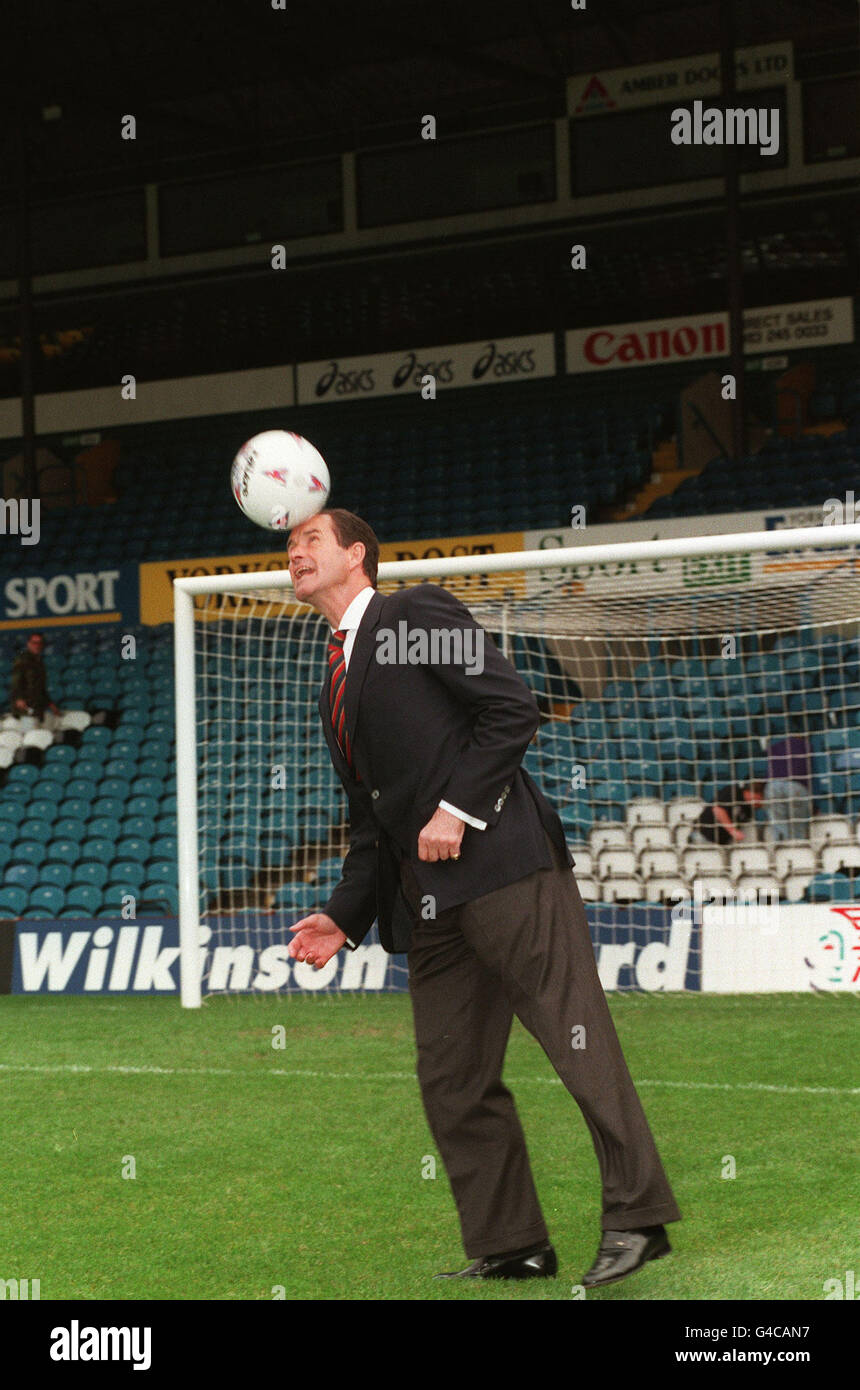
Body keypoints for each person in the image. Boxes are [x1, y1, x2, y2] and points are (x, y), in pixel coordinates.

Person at [285, 508, 681, 1288]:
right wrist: (343, 914)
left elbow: (511, 707)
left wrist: (456, 809)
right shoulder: (332, 674)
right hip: (423, 906)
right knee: (452, 1078)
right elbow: (371, 822)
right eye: (288, 545)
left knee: (577, 1043)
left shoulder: (414, 613)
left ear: (357, 554)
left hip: (507, 870)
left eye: (310, 541)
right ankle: (512, 1244)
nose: (293, 553)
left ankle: (639, 1220)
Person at [763, 736, 811, 842]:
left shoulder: (775, 746)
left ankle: (782, 851)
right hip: (796, 785)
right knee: (797, 828)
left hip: (773, 785)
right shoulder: (806, 746)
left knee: (779, 826)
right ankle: (796, 853)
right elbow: (813, 773)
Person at [9, 632, 60, 725]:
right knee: (29, 734)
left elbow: (41, 687)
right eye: (34, 643)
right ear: (28, 644)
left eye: (40, 643)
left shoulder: (40, 663)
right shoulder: (22, 660)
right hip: (25, 707)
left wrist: (50, 704)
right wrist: (19, 698)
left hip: (37, 706)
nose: (37, 646)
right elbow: (16, 681)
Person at [692, 782, 764, 846]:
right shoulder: (733, 791)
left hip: (720, 843)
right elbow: (718, 809)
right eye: (760, 798)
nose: (761, 802)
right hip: (703, 836)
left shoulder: (749, 808)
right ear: (753, 793)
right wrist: (732, 830)